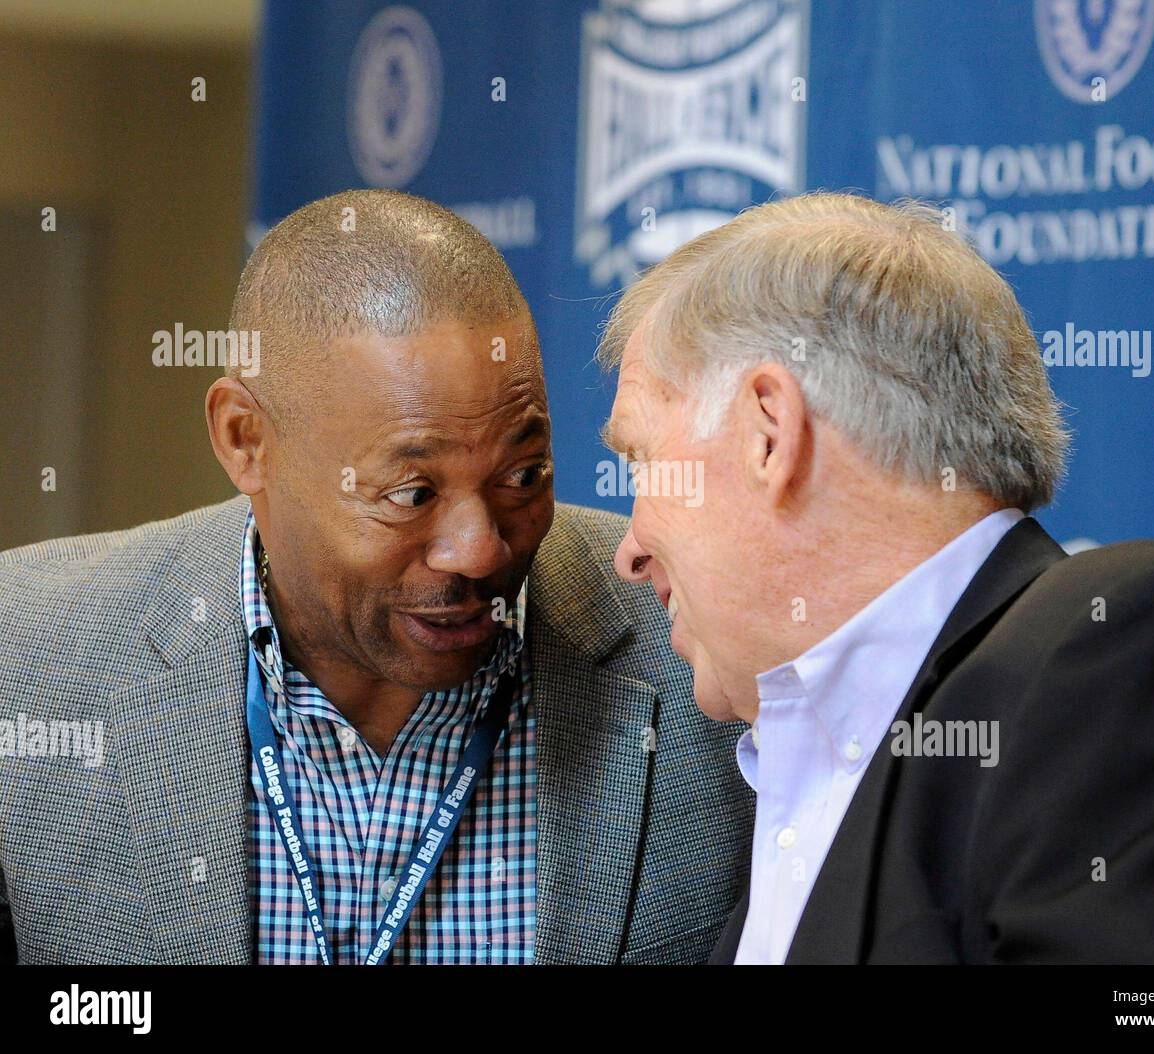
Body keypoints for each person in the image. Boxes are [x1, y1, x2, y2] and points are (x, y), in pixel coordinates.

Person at [0, 189, 752, 965]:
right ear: (244, 439)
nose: (480, 551)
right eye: (412, 495)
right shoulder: (24, 662)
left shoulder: (711, 662)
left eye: (523, 476)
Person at [597, 191, 1154, 964]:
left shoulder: (1129, 659)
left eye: (641, 462)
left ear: (770, 433)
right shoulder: (777, 797)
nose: (627, 550)